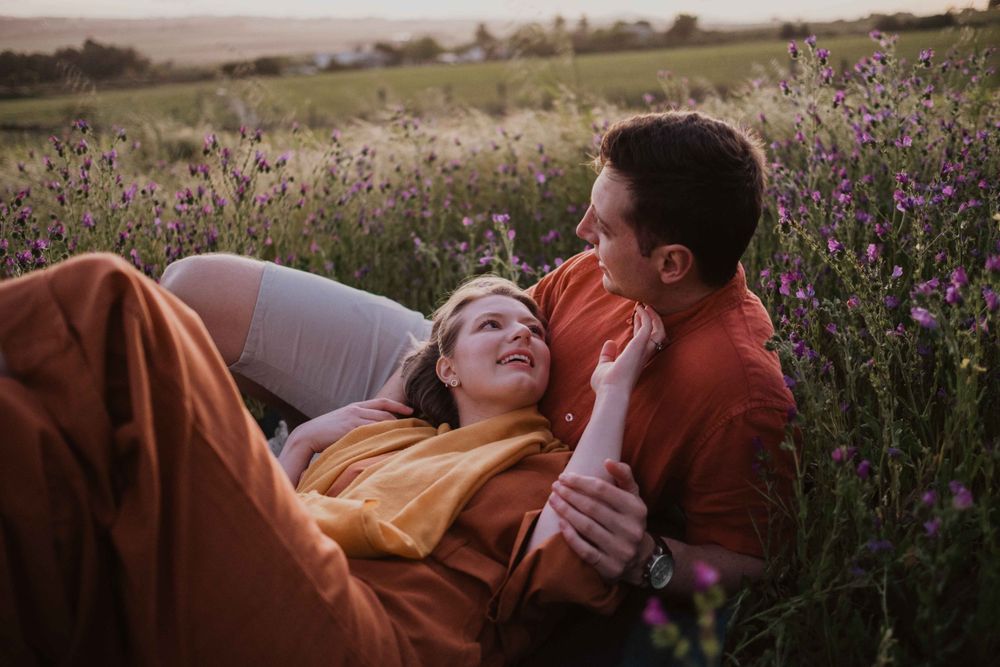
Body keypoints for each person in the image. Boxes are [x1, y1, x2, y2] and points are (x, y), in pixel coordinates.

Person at [163, 111, 797, 658]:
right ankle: (269, 457)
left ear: (672, 263)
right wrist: (379, 424)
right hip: (455, 390)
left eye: (603, 228)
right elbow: (500, 324)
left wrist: (649, 560)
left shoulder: (738, 393)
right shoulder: (594, 272)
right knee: (196, 287)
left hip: (512, 491)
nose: (581, 233)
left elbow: (747, 563)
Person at [0, 258, 664, 664]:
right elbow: (271, 519)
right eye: (491, 325)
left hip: (372, 640)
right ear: (446, 367)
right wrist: (299, 444)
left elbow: (571, 550)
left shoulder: (542, 466)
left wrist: (615, 389)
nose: (522, 332)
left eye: (535, 331)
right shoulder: (384, 437)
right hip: (285, 588)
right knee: (31, 443)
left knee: (112, 298)